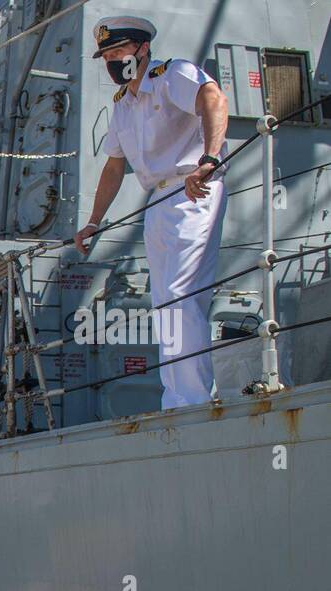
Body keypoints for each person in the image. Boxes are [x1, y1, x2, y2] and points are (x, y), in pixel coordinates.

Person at [75, 16, 230, 409]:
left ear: (143, 49)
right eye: (107, 55)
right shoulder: (124, 104)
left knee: (182, 293)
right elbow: (114, 166)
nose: (112, 60)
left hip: (192, 188)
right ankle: (176, 397)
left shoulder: (171, 75)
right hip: (158, 202)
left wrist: (209, 158)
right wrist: (94, 221)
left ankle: (193, 398)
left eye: (118, 51)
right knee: (164, 305)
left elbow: (212, 98)